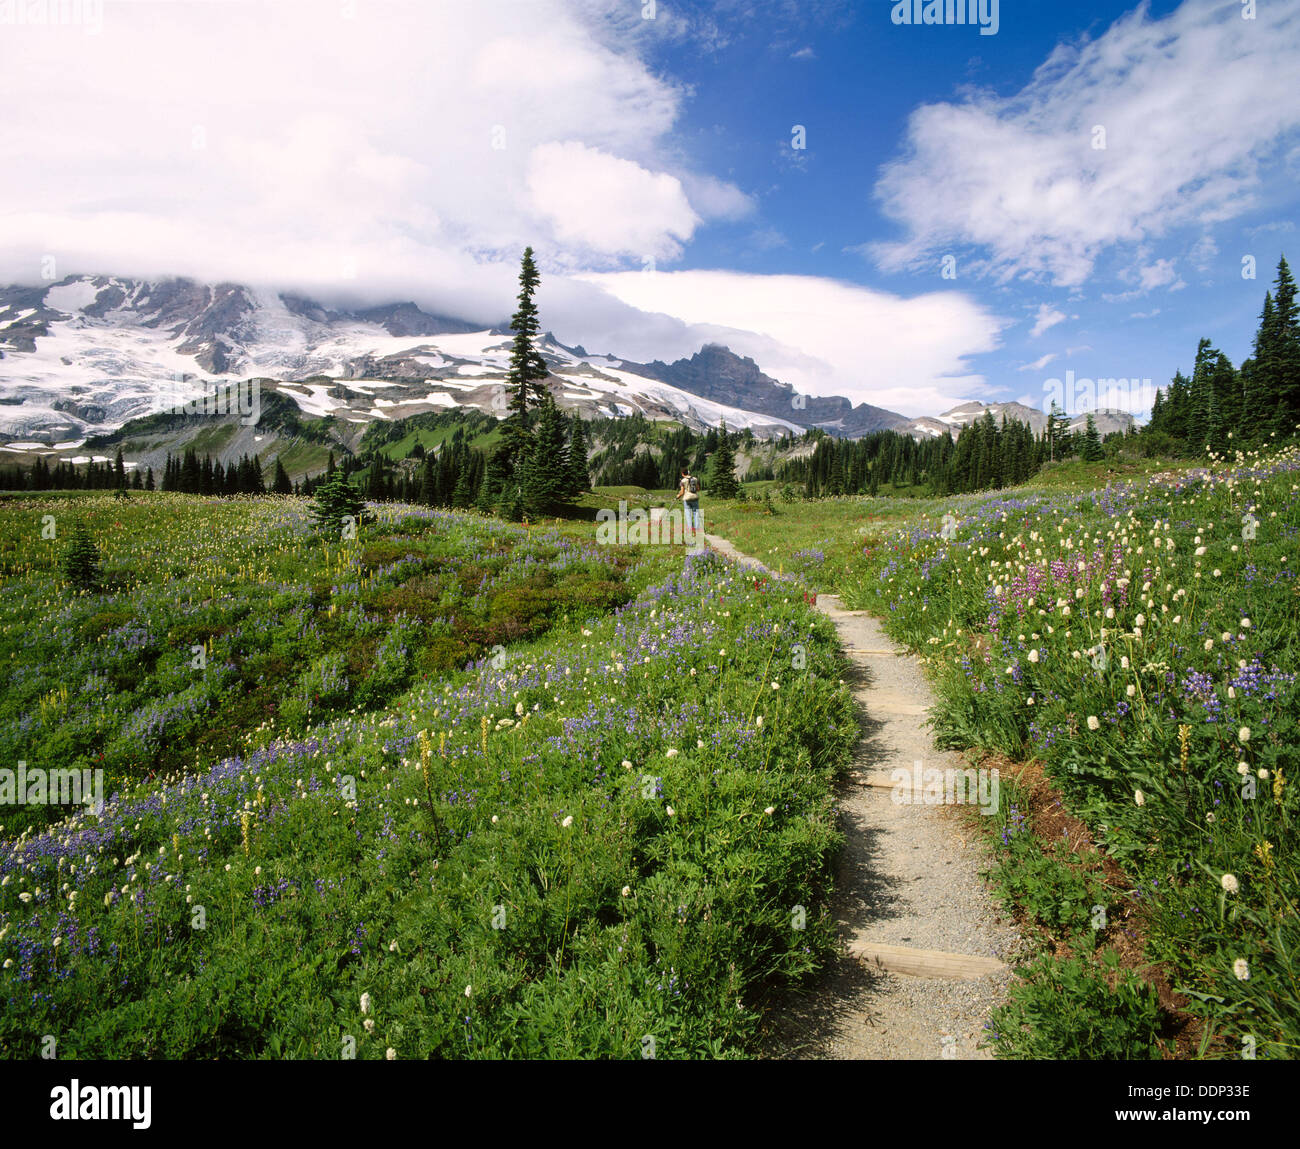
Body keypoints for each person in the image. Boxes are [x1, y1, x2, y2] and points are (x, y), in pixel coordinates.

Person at [677, 467, 702, 540]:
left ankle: (690, 530)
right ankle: (697, 530)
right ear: (688, 472)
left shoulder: (683, 481)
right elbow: (698, 489)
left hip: (687, 499)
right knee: (696, 513)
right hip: (695, 498)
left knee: (688, 514)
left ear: (682, 474)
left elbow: (681, 492)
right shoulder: (695, 479)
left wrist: (678, 496)